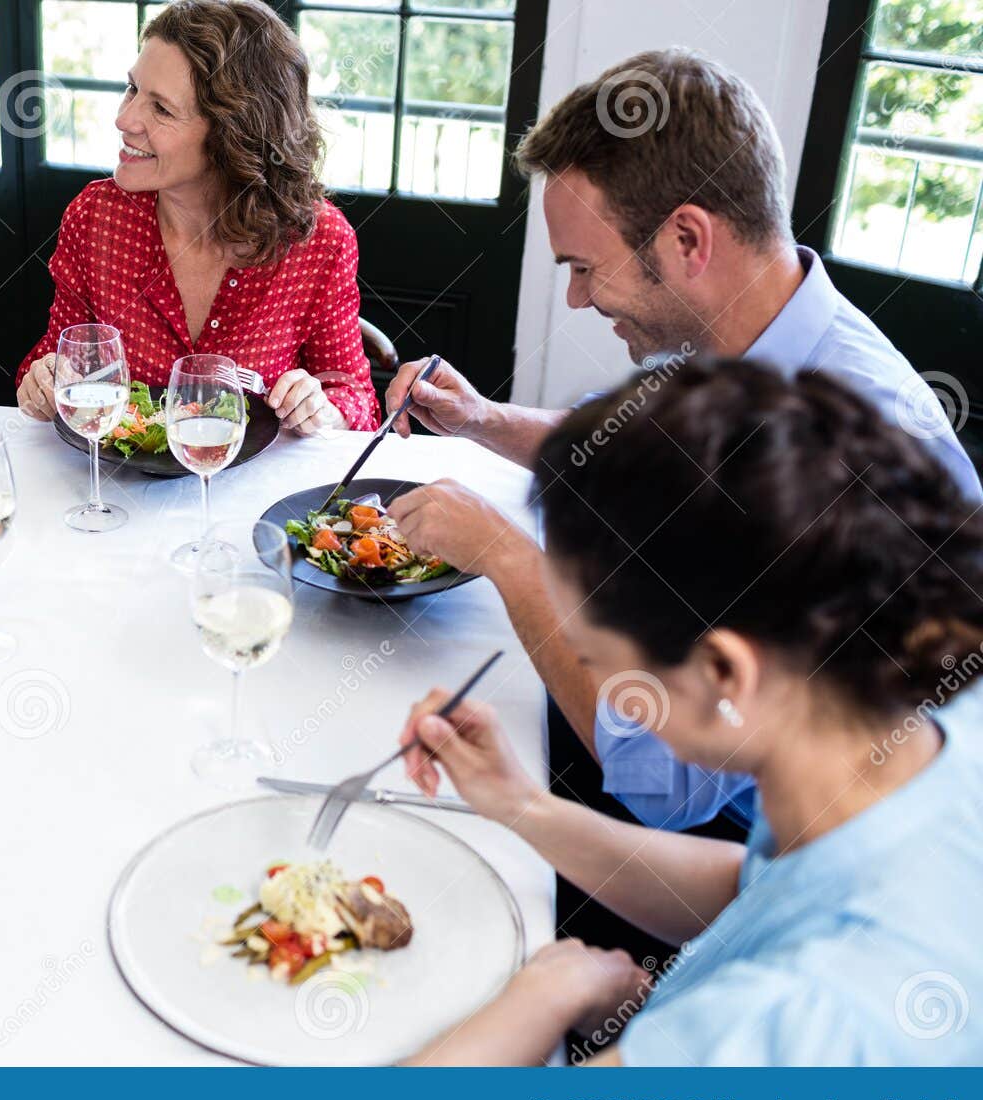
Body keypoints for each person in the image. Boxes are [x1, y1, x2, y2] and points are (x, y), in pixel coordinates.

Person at [381, 48, 981, 830]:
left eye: (586, 267)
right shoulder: (744, 334)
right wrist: (481, 419)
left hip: (747, 842)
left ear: (688, 241)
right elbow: (625, 451)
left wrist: (504, 555)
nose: (576, 296)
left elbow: (664, 782)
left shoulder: (837, 452)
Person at [400, 360, 983, 1065]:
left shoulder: (795, 1024)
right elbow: (761, 887)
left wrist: (547, 991)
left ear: (724, 672)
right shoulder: (883, 730)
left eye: (591, 659)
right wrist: (523, 805)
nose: (590, 681)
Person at [15, 0, 379, 435]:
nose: (123, 118)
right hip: (118, 492)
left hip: (259, 495)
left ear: (234, 135)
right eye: (132, 89)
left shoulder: (318, 239)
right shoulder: (97, 217)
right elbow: (58, 363)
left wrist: (325, 410)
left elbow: (353, 395)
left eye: (162, 109)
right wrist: (41, 381)